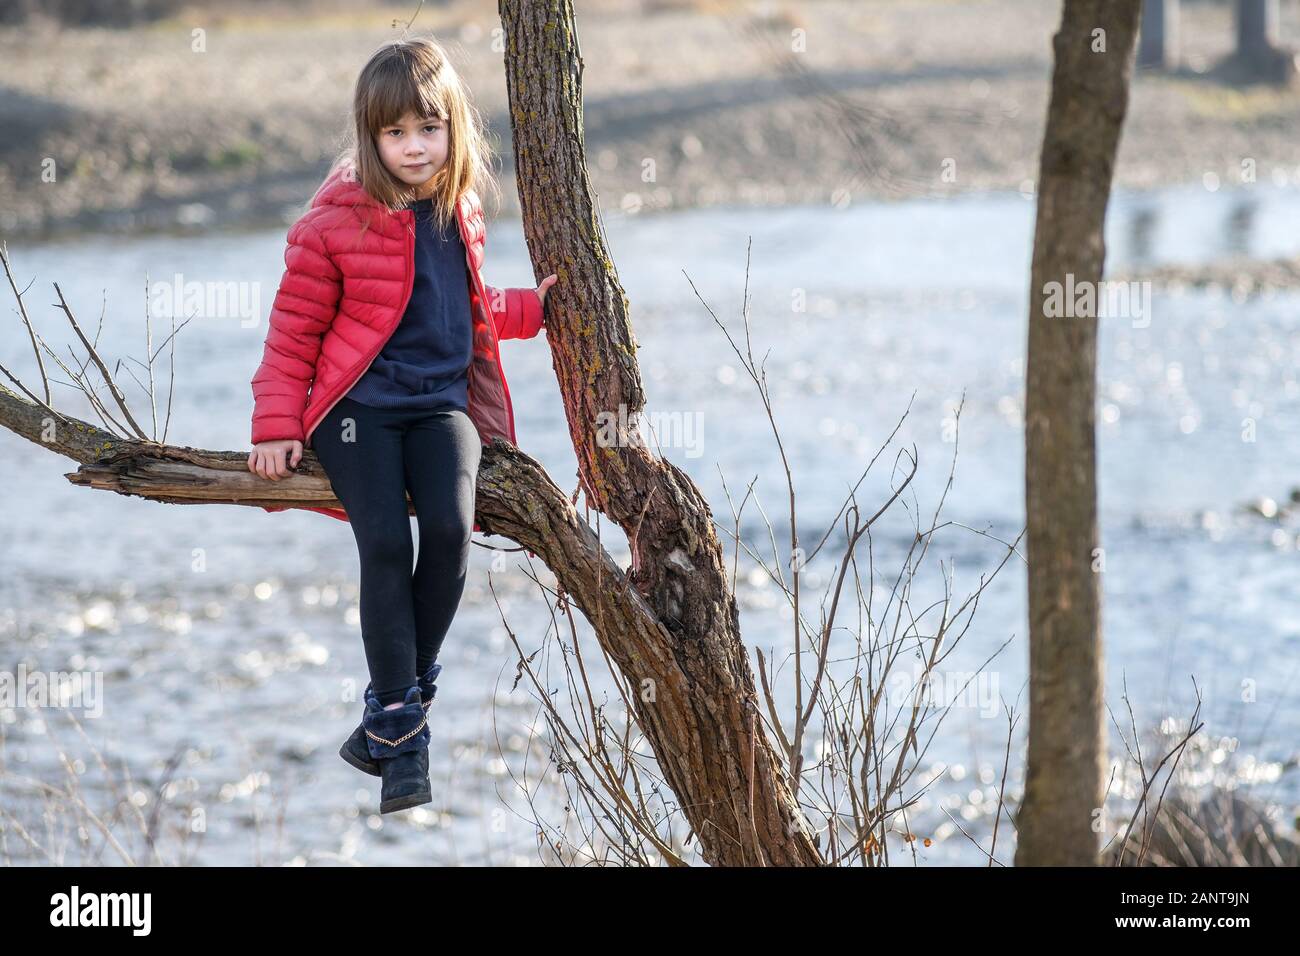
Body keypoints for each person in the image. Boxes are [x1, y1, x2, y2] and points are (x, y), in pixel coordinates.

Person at [246, 35, 557, 814]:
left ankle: (392, 713)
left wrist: (536, 310)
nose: (414, 147)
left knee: (452, 532)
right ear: (370, 137)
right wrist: (275, 426)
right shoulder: (335, 221)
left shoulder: (462, 210)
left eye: (428, 128)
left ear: (454, 126)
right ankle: (402, 731)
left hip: (440, 408)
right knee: (386, 542)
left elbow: (461, 309)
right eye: (395, 133)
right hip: (357, 415)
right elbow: (293, 332)